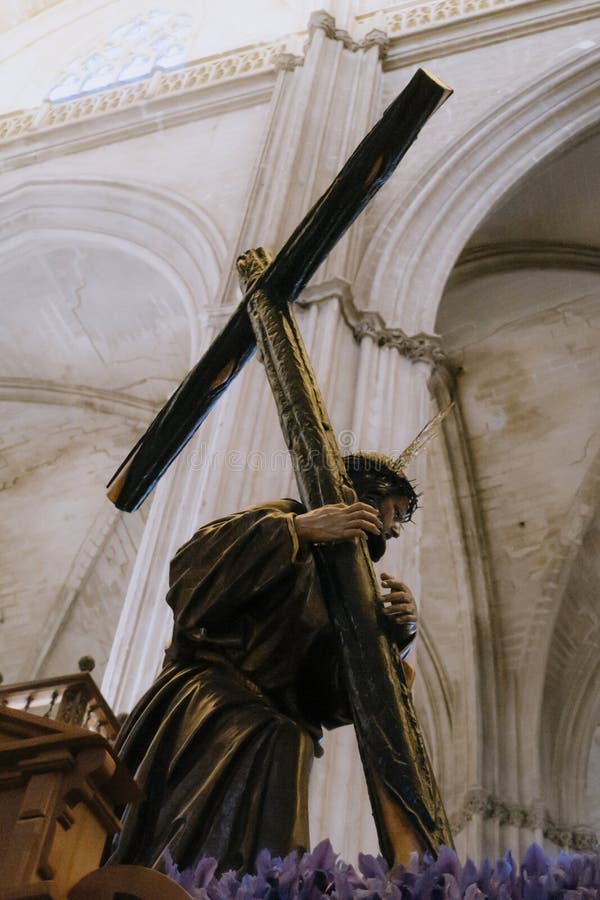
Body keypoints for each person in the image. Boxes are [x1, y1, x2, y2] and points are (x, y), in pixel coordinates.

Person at [105, 453, 419, 874]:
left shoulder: (350, 590)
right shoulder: (285, 517)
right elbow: (192, 575)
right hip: (213, 707)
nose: (396, 529)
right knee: (175, 846)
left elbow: (333, 699)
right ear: (366, 495)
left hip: (281, 739)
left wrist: (396, 636)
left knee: (260, 868)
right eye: (394, 511)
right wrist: (298, 530)